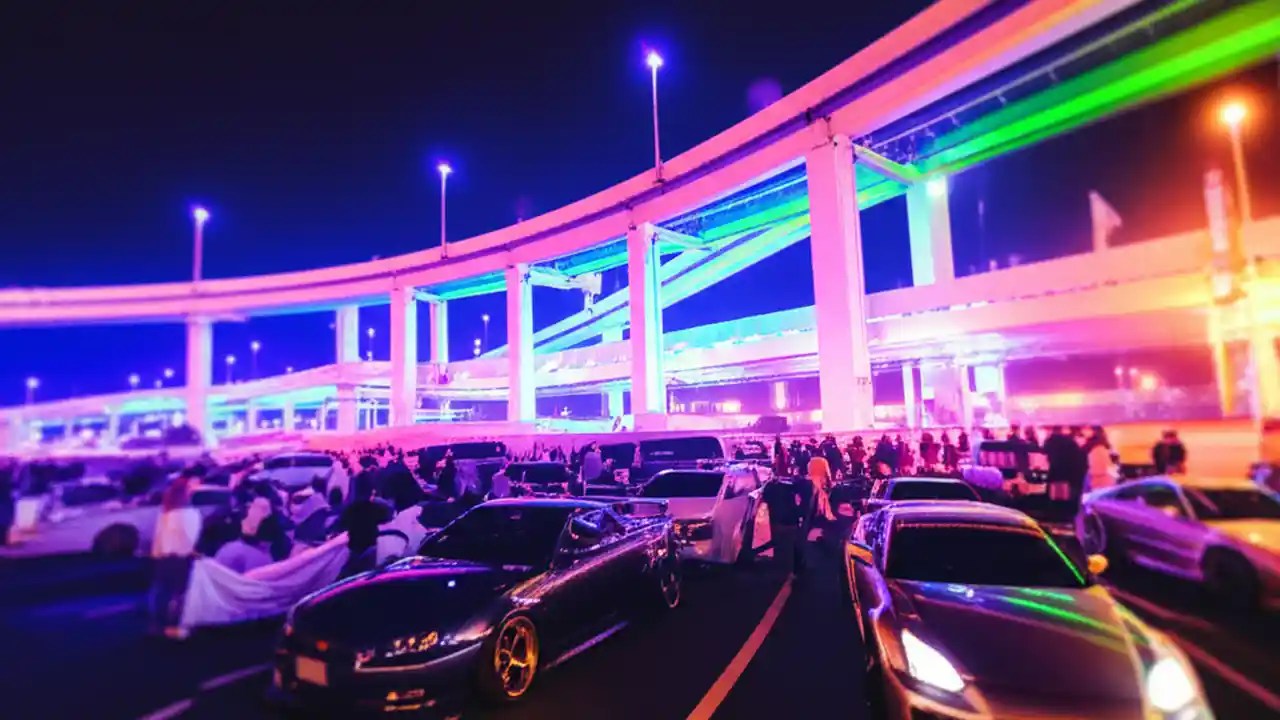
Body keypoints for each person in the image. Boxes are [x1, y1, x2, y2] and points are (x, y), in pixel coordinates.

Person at [149, 472, 204, 639]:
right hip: (181, 558)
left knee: (161, 591)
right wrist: (197, 554)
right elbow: (190, 539)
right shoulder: (190, 513)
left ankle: (157, 625)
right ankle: (175, 626)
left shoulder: (166, 512)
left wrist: (156, 553)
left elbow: (159, 535)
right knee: (180, 593)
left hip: (164, 557)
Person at [1084, 426, 1117, 492]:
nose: (1084, 431)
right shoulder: (1101, 447)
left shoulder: (1098, 448)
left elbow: (1098, 470)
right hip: (1104, 483)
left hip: (1101, 484)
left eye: (1087, 429)